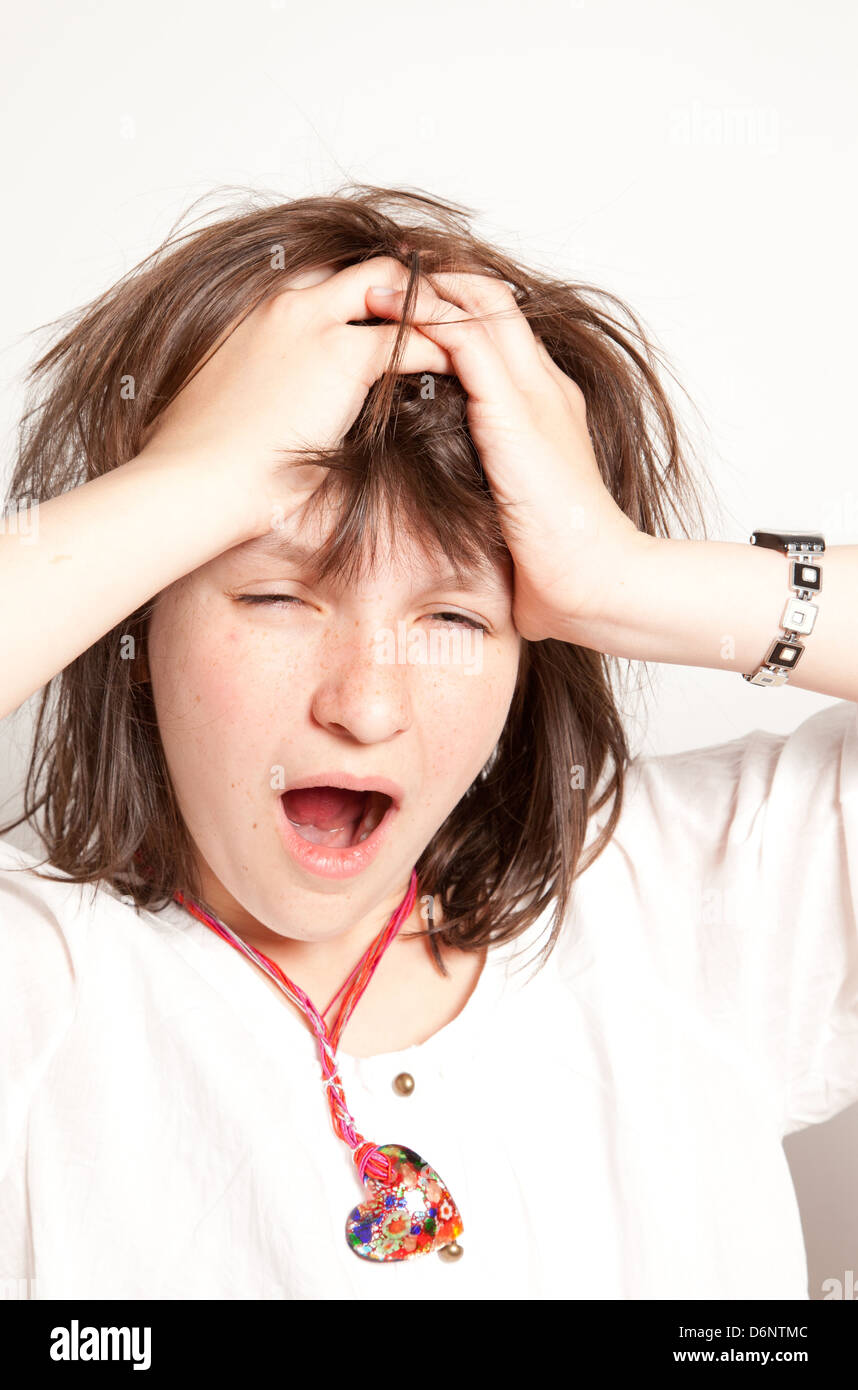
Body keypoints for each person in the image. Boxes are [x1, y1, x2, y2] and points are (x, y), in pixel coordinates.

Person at [0, 185, 855, 1300]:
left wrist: (618, 572)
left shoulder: (690, 904)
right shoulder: (44, 985)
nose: (365, 705)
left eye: (452, 618)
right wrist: (198, 479)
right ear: (141, 622)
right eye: (274, 599)